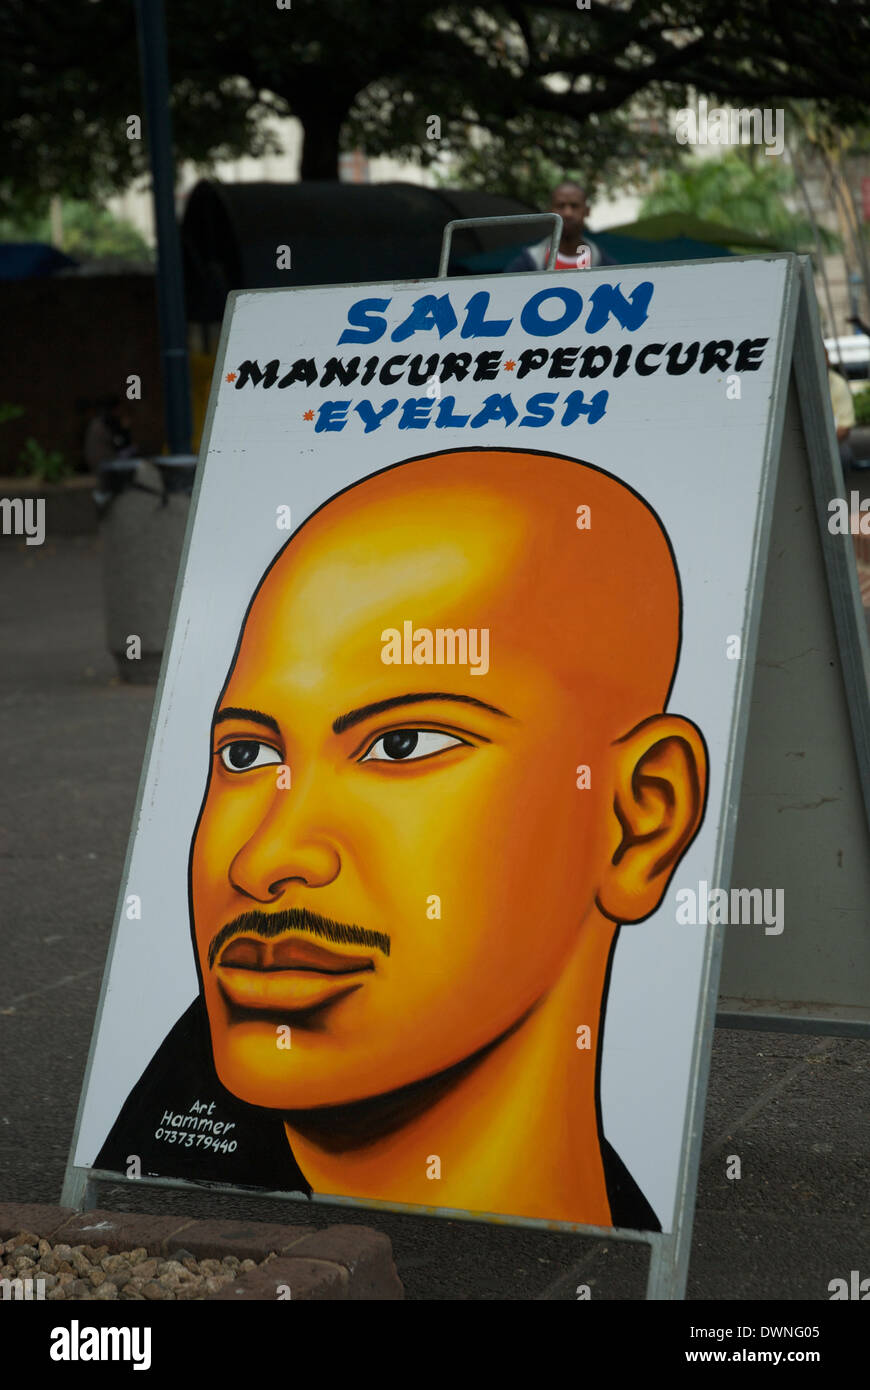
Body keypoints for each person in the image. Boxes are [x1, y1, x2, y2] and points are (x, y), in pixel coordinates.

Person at [96, 446, 708, 1231]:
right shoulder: (160, 1140)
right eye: (248, 755)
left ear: (642, 821)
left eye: (402, 744)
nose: (264, 859)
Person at [505, 180, 615, 272]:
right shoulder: (526, 264)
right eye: (560, 206)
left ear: (587, 211)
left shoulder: (606, 265)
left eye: (574, 206)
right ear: (549, 211)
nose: (568, 213)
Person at [825, 346, 856, 469]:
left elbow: (844, 428)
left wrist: (823, 446)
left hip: (833, 442)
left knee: (843, 454)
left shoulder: (838, 384)